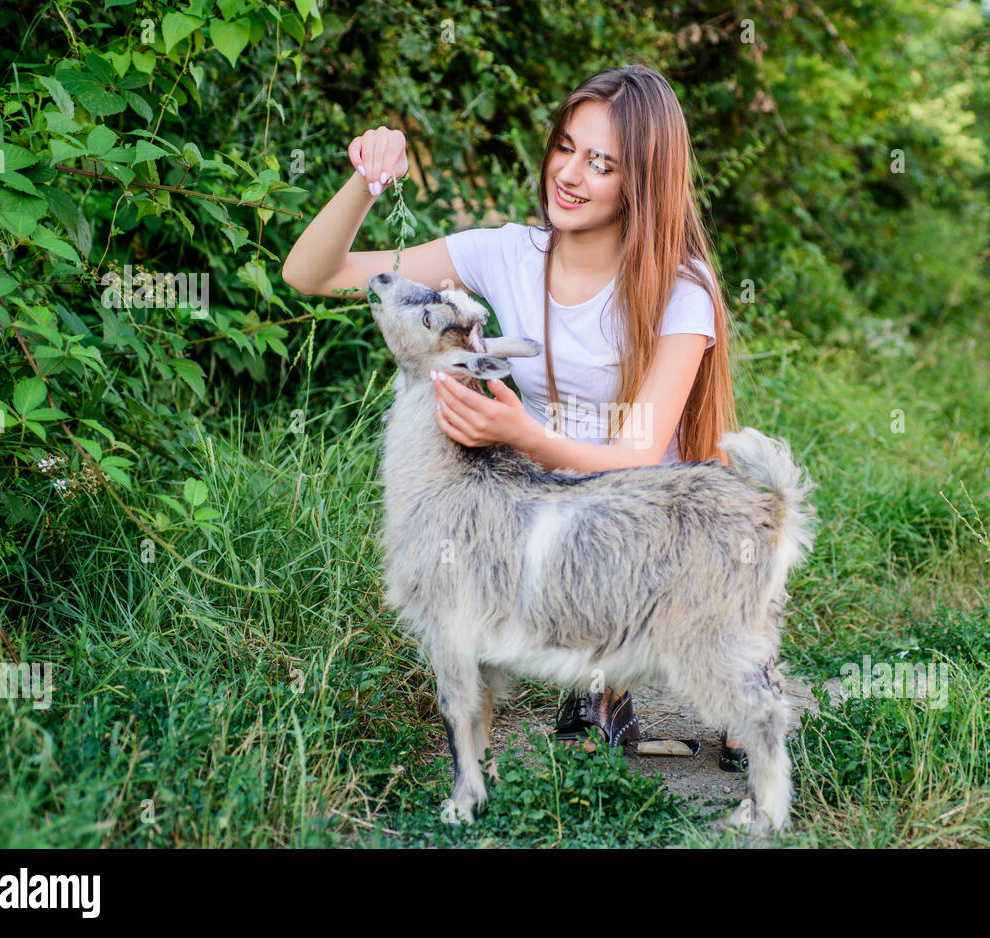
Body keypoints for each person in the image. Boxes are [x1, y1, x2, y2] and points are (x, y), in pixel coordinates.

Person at [282, 63, 748, 771]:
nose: (570, 174)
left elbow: (641, 451)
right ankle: (595, 675)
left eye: (603, 163)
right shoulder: (506, 255)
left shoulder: (681, 286)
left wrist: (521, 436)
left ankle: (702, 656)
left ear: (642, 182)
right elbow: (311, 275)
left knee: (721, 692)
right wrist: (366, 180)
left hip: (650, 520)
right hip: (555, 512)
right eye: (566, 146)